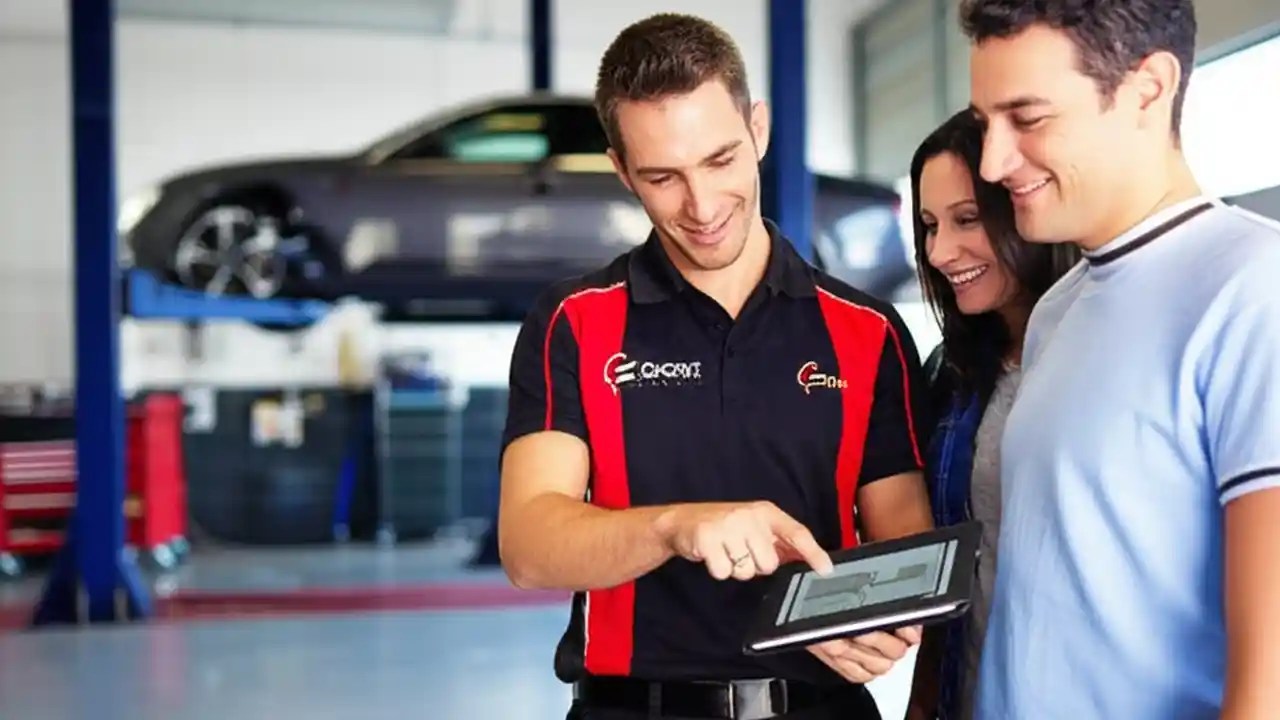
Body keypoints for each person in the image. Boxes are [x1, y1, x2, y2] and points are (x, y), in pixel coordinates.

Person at [498, 12, 936, 720]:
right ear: (620, 170)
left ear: (757, 129)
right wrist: (675, 527)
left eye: (721, 160)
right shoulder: (574, 322)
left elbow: (908, 545)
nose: (701, 206)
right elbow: (529, 546)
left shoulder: (868, 332)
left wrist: (866, 619)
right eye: (662, 176)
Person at [958, 1, 1280, 718]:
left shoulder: (1255, 291)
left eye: (1028, 119)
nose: (992, 162)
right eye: (987, 124)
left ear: (1147, 89)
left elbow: (1270, 686)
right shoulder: (1058, 308)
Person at [898, 110, 1079, 720]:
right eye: (928, 226)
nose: (941, 252)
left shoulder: (1101, 360)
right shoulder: (949, 374)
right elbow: (946, 577)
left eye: (967, 219)